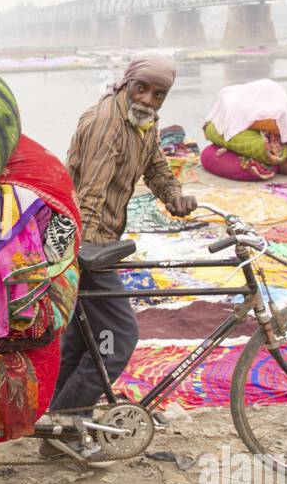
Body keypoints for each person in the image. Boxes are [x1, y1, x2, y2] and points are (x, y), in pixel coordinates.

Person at [44, 53, 197, 462]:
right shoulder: (106, 125)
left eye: (159, 93)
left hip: (95, 240)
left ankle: (55, 428)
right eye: (142, 88)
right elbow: (89, 197)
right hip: (84, 241)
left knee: (84, 341)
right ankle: (69, 424)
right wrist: (90, 259)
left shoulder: (141, 119)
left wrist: (174, 196)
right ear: (125, 82)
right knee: (119, 339)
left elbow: (156, 166)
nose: (148, 98)